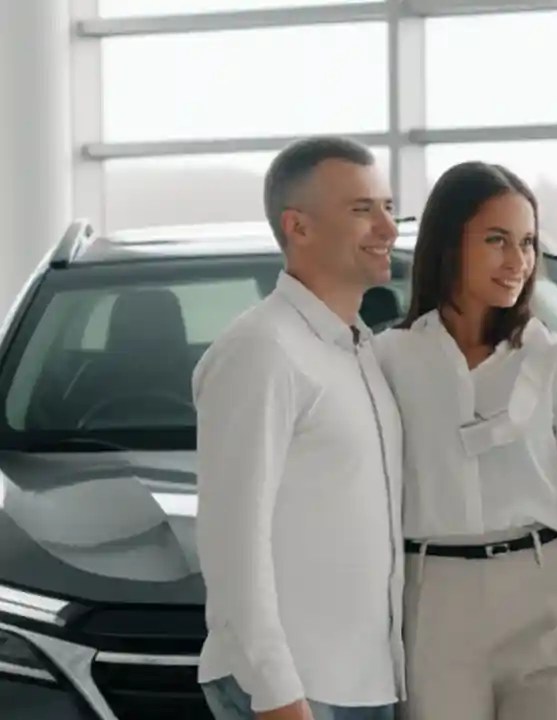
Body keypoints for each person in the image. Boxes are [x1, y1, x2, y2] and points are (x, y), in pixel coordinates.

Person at [374, 161, 557, 720]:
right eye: (496, 240)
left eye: (527, 242)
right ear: (449, 243)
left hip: (542, 596)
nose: (518, 261)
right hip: (432, 602)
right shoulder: (386, 360)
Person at [194, 137, 405, 720]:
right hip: (298, 691)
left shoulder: (359, 350)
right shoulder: (262, 350)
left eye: (389, 207)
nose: (388, 228)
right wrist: (276, 691)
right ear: (299, 227)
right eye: (362, 209)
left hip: (365, 683)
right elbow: (231, 539)